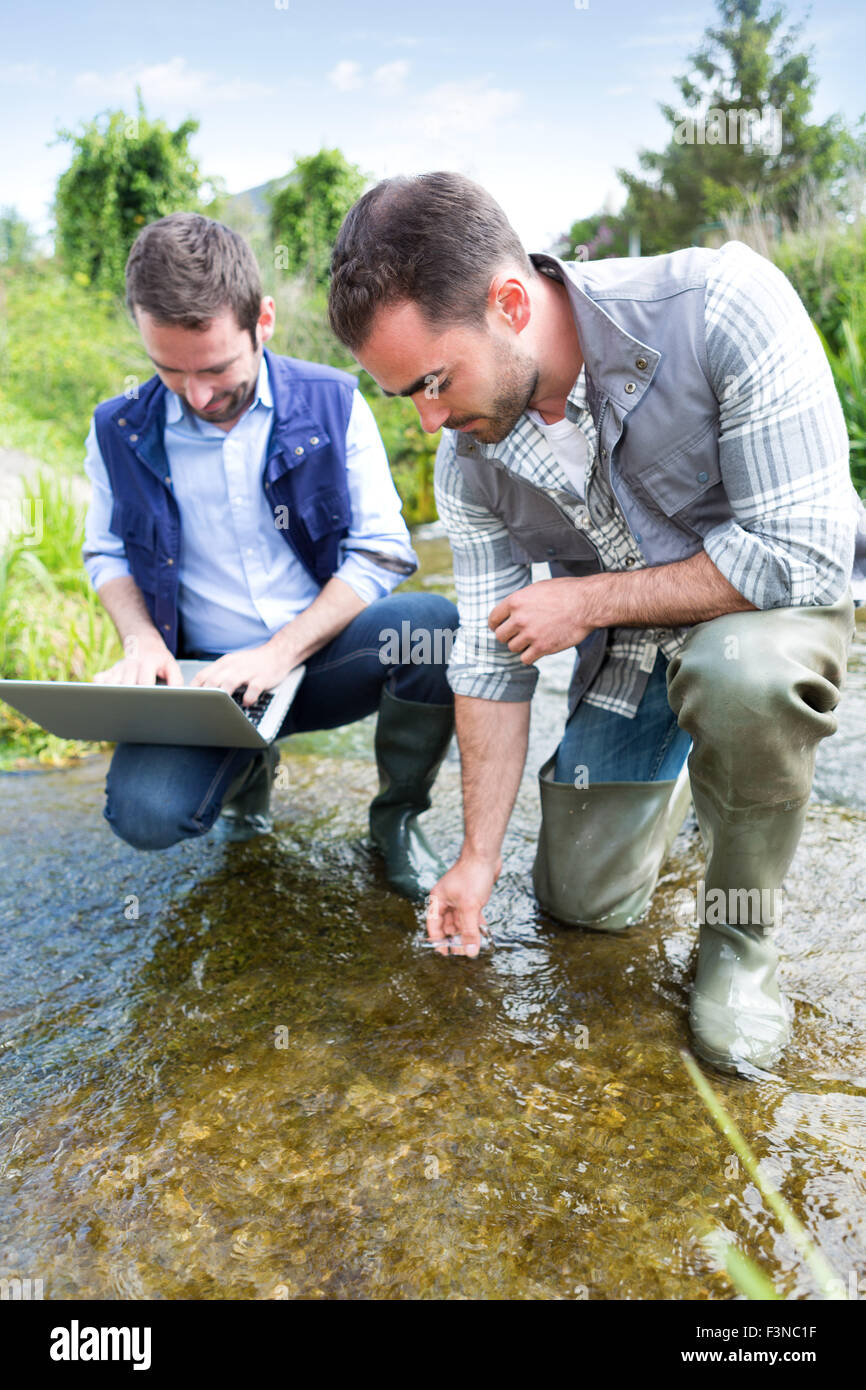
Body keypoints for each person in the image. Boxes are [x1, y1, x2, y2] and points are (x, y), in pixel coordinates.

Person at [327, 171, 866, 1075]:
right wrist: (476, 859)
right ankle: (701, 767)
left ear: (507, 303)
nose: (427, 423)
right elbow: (491, 657)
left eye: (431, 381)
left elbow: (806, 555)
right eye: (403, 398)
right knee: (583, 904)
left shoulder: (723, 307)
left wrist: (585, 601)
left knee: (738, 681)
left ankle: (740, 945)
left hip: (764, 621)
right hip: (630, 655)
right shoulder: (470, 461)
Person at [82, 212, 458, 901]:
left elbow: (381, 553)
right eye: (170, 371)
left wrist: (279, 654)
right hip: (206, 683)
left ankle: (398, 819)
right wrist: (139, 640)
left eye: (216, 368)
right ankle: (246, 775)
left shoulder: (336, 403)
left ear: (264, 320)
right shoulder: (117, 430)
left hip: (321, 659)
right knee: (144, 816)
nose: (197, 396)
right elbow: (105, 550)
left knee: (431, 628)